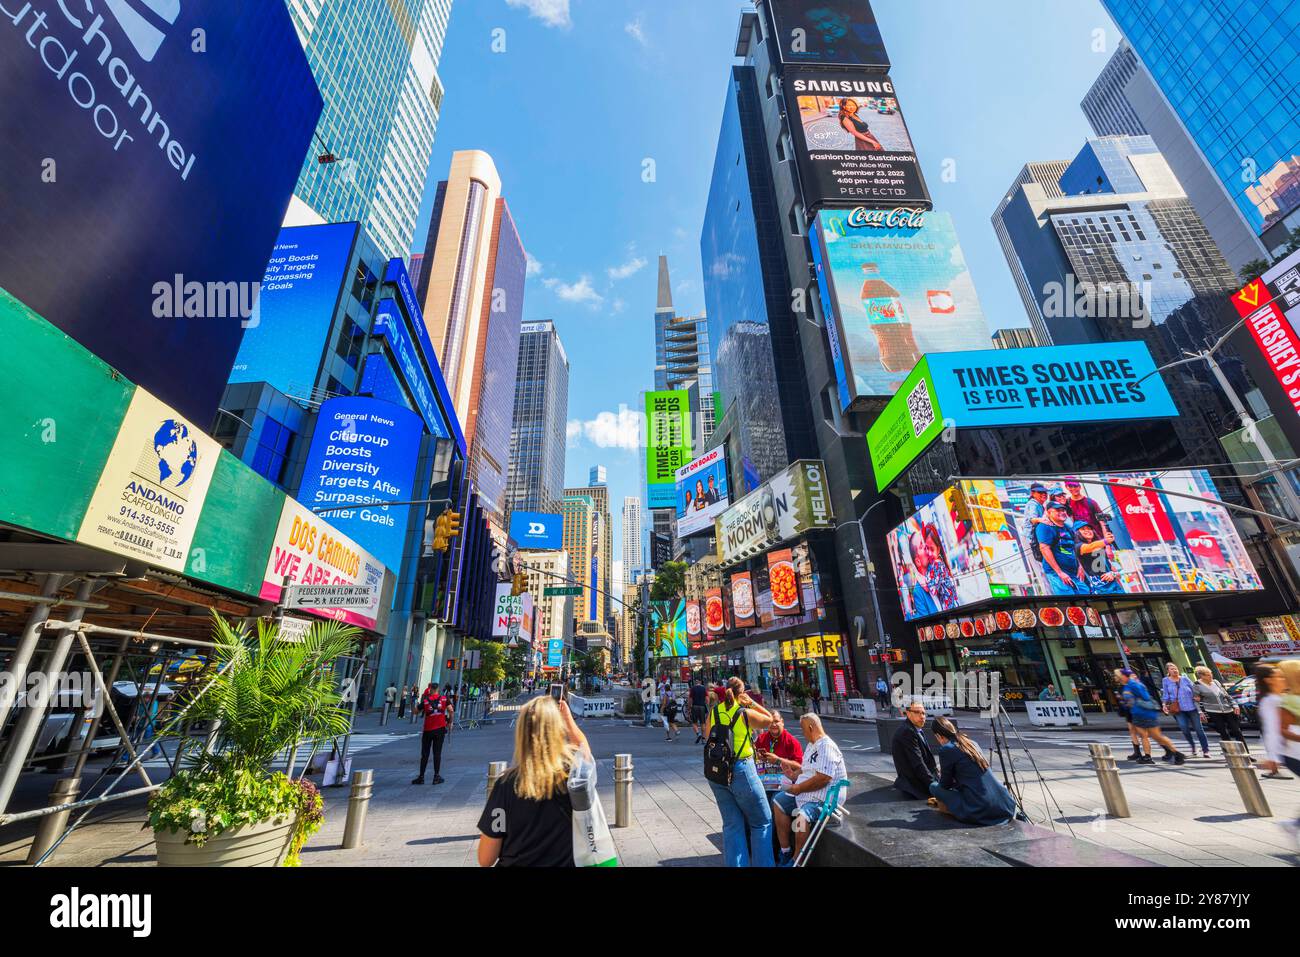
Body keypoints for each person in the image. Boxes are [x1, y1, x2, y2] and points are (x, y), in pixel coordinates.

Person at [476, 695, 592, 867]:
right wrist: (568, 718)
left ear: (521, 733)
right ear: (558, 729)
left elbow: (485, 859)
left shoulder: (506, 785)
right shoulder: (573, 776)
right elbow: (584, 752)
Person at [704, 677, 777, 867]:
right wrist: (751, 702)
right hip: (742, 770)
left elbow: (706, 737)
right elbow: (770, 720)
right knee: (761, 821)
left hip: (717, 772)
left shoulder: (715, 712)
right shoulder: (744, 713)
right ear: (741, 692)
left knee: (731, 825)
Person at [769, 714, 847, 865]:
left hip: (824, 797)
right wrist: (793, 775)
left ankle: (797, 860)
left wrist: (798, 788)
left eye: (803, 729)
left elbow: (823, 778)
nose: (803, 733)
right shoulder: (812, 745)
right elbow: (806, 769)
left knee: (801, 818)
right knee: (778, 802)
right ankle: (785, 851)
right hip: (807, 793)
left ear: (811, 728)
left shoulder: (826, 746)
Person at [928, 716, 1018, 826]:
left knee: (933, 786)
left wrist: (942, 774)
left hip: (979, 807)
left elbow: (945, 785)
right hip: (1003, 805)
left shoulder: (946, 749)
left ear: (938, 736)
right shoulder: (972, 743)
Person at [1255, 664, 1300, 844]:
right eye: (1279, 677)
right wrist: (1273, 758)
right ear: (1268, 680)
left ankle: (1293, 825)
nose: (1283, 680)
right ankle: (1293, 825)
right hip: (1291, 754)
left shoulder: (1281, 698)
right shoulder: (1270, 701)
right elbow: (1272, 731)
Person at [1120, 668, 1185, 765]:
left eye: (1121, 675)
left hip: (1145, 713)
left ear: (1125, 676)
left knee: (1157, 736)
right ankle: (1147, 757)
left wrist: (1133, 699)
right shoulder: (1129, 685)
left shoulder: (1134, 685)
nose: (1120, 677)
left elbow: (1145, 697)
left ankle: (1177, 753)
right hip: (1137, 713)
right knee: (1144, 736)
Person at [1192, 665, 1248, 754]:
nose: (1211, 676)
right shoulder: (1197, 685)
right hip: (1213, 711)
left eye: (1211, 674)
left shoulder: (1216, 682)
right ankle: (1230, 753)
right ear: (1201, 676)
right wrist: (1200, 712)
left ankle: (1246, 753)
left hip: (1227, 709)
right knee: (1223, 732)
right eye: (1208, 675)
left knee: (1237, 731)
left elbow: (1226, 695)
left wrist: (1235, 705)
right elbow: (1196, 700)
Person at [1161, 663, 1211, 759]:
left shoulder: (1185, 678)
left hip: (1192, 707)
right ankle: (1193, 747)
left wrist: (1198, 696)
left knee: (1199, 729)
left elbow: (1194, 689)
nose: (1175, 670)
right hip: (1178, 709)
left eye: (1175, 668)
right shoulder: (1165, 680)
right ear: (1168, 671)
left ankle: (1206, 750)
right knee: (1184, 729)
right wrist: (1164, 704)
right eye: (1172, 669)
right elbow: (1166, 694)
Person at [892, 697, 938, 799]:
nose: (922, 716)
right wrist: (934, 785)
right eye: (917, 712)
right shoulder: (907, 731)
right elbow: (918, 763)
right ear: (908, 713)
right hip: (915, 785)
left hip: (921, 778)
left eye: (923, 713)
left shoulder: (916, 728)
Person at [1035, 500, 1083, 596]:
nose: (1062, 512)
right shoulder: (1044, 527)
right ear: (1049, 512)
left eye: (1063, 510)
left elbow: (1075, 548)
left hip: (1073, 572)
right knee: (1069, 600)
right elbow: (1044, 549)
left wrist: (1080, 566)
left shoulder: (1068, 527)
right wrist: (1059, 572)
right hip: (1056, 574)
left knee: (1085, 595)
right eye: (1057, 510)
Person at [412, 682, 454, 785]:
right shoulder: (444, 699)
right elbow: (451, 710)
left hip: (428, 730)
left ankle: (421, 777)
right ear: (438, 689)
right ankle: (436, 776)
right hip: (439, 729)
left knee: (425, 754)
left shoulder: (425, 701)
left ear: (430, 689)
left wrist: (414, 704)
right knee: (437, 753)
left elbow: (415, 712)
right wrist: (449, 722)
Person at [1073, 522, 1125, 595]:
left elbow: (1118, 574)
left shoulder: (1100, 548)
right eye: (1083, 529)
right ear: (1077, 533)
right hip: (1099, 591)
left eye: (1089, 529)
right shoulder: (1078, 547)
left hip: (1115, 589)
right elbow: (1090, 547)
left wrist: (1113, 574)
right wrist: (1106, 541)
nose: (1088, 531)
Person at [905, 530, 941, 618]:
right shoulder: (918, 592)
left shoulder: (939, 571)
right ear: (918, 561)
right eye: (922, 545)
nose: (926, 545)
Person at [1113, 668, 1143, 761]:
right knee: (1132, 731)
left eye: (1116, 676)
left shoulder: (1132, 684)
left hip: (1137, 711)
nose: (1114, 678)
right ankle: (1137, 752)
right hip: (1129, 712)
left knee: (1146, 733)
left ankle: (1169, 749)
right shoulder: (1121, 687)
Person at [1020, 482, 1051, 562]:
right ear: (1032, 493)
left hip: (1034, 538)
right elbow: (1032, 519)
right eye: (1040, 492)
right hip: (1029, 538)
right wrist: (1041, 520)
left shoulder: (1039, 505)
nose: (1044, 494)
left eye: (1044, 492)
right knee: (1038, 563)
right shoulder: (1033, 503)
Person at [689, 679, 709, 744]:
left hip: (695, 706)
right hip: (702, 707)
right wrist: (706, 705)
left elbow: (690, 699)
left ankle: (698, 733)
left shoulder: (692, 688)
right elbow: (707, 699)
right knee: (703, 723)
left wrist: (689, 707)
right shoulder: (704, 688)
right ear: (700, 682)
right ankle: (703, 738)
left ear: (695, 682)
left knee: (694, 722)